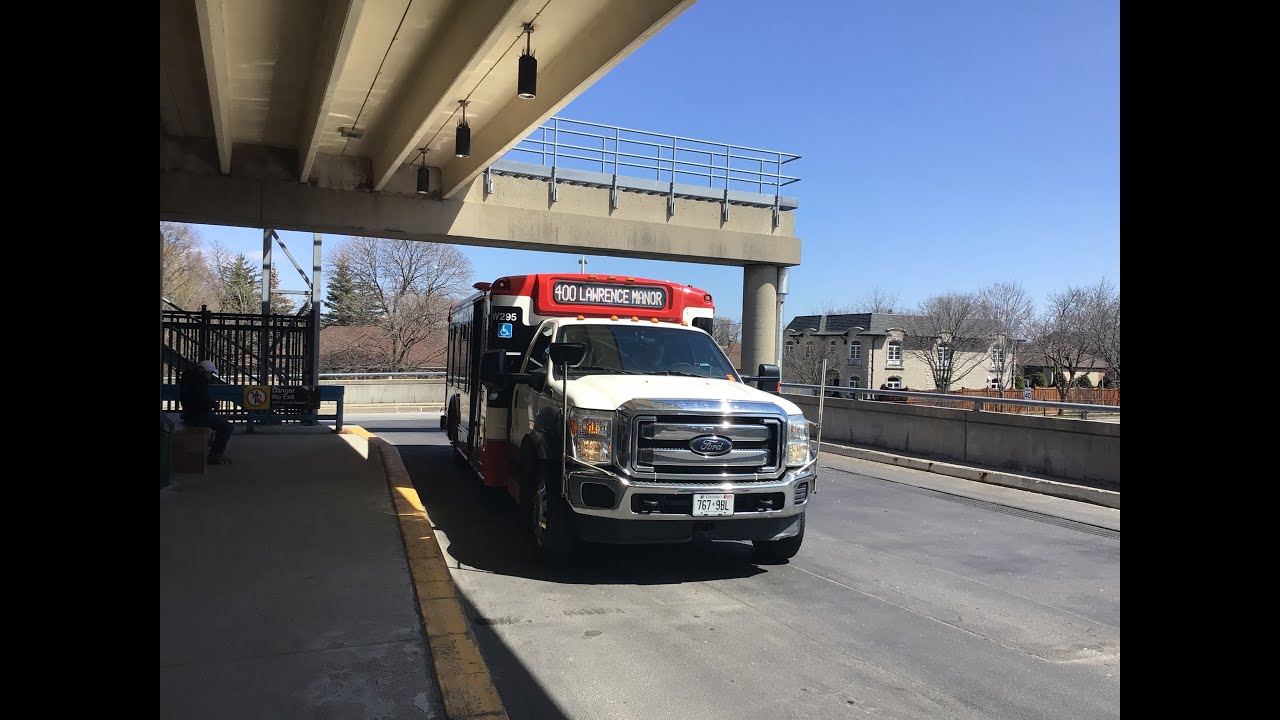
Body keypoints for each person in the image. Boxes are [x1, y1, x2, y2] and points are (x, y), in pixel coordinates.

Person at [179, 360, 234, 464]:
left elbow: (196, 400)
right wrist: (213, 405)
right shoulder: (199, 383)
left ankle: (214, 448)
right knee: (227, 427)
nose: (211, 376)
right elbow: (201, 402)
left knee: (220, 423)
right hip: (197, 416)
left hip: (190, 414)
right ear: (204, 372)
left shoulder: (189, 379)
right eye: (210, 373)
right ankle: (216, 454)